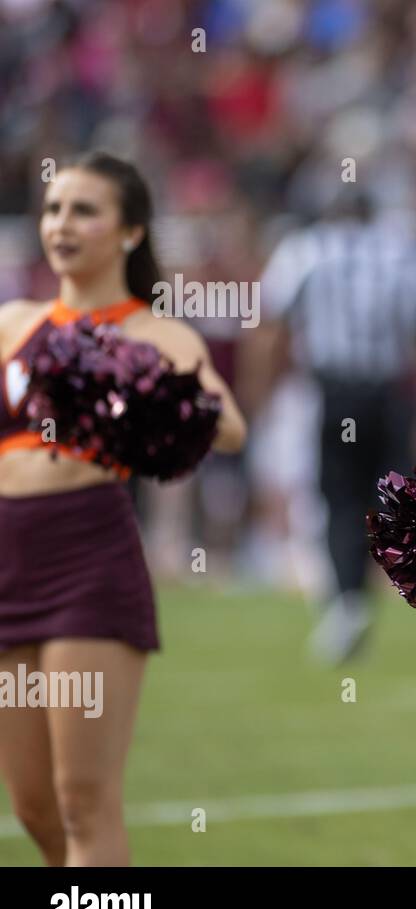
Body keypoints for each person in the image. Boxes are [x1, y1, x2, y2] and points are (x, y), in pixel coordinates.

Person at [0, 151, 246, 866]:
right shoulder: (14, 322)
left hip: (87, 561)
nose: (62, 225)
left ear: (130, 231)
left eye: (84, 210)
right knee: (35, 807)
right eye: (52, 209)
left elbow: (226, 425)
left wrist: (136, 393)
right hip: (9, 560)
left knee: (83, 798)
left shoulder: (154, 334)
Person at [252, 188, 416, 665]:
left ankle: (347, 602)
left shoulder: (305, 249)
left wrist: (262, 394)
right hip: (389, 391)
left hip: (337, 395)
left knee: (340, 499)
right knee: (389, 497)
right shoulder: (399, 250)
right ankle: (367, 593)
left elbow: (272, 327)